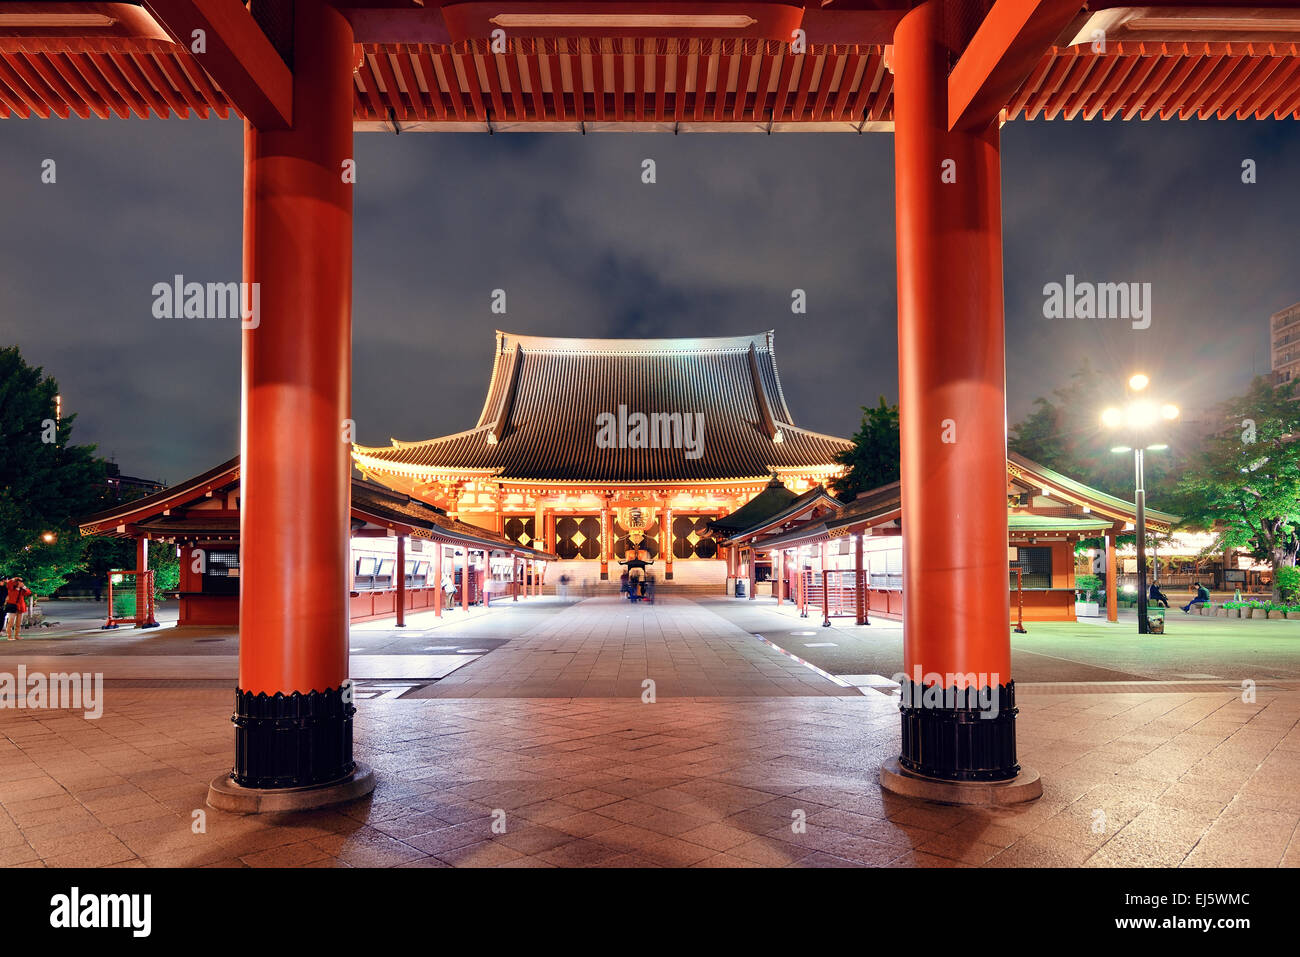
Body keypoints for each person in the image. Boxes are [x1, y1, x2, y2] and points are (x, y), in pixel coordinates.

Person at [4, 576, 32, 641]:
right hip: (12, 606)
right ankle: (9, 636)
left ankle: (17, 635)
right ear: (16, 582)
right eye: (19, 581)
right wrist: (14, 578)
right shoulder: (11, 588)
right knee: (11, 622)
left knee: (18, 623)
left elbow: (29, 593)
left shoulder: (22, 589)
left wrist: (24, 587)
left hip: (20, 607)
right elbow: (9, 583)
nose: (20, 583)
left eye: (21, 582)